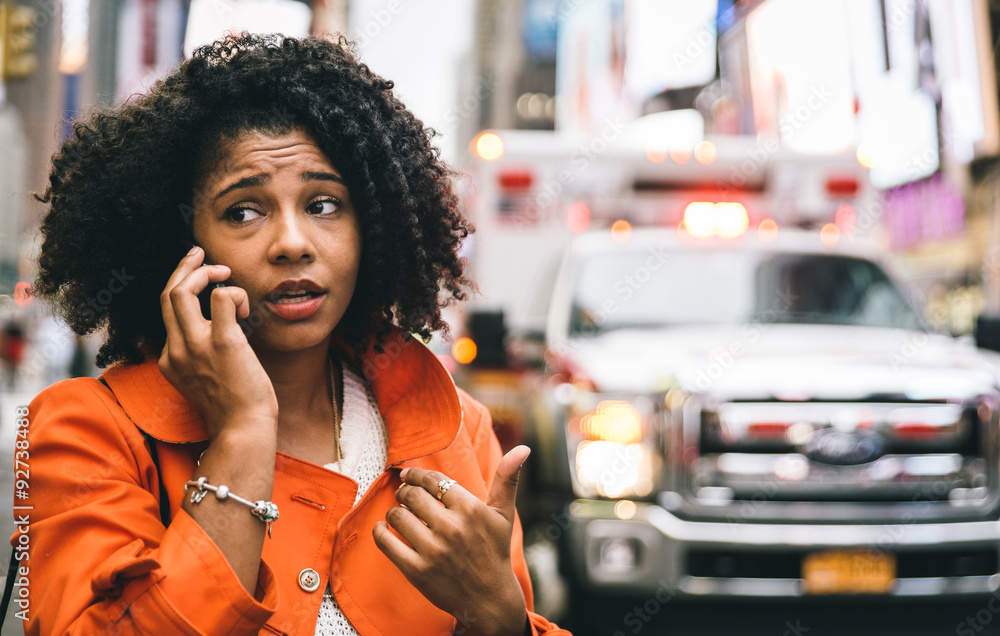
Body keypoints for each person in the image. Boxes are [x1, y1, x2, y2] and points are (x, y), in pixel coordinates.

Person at [19, 33, 570, 635]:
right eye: (244, 211)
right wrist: (243, 432)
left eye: (324, 204)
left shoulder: (457, 431)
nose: (292, 242)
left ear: (371, 225)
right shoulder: (86, 430)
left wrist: (501, 616)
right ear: (178, 246)